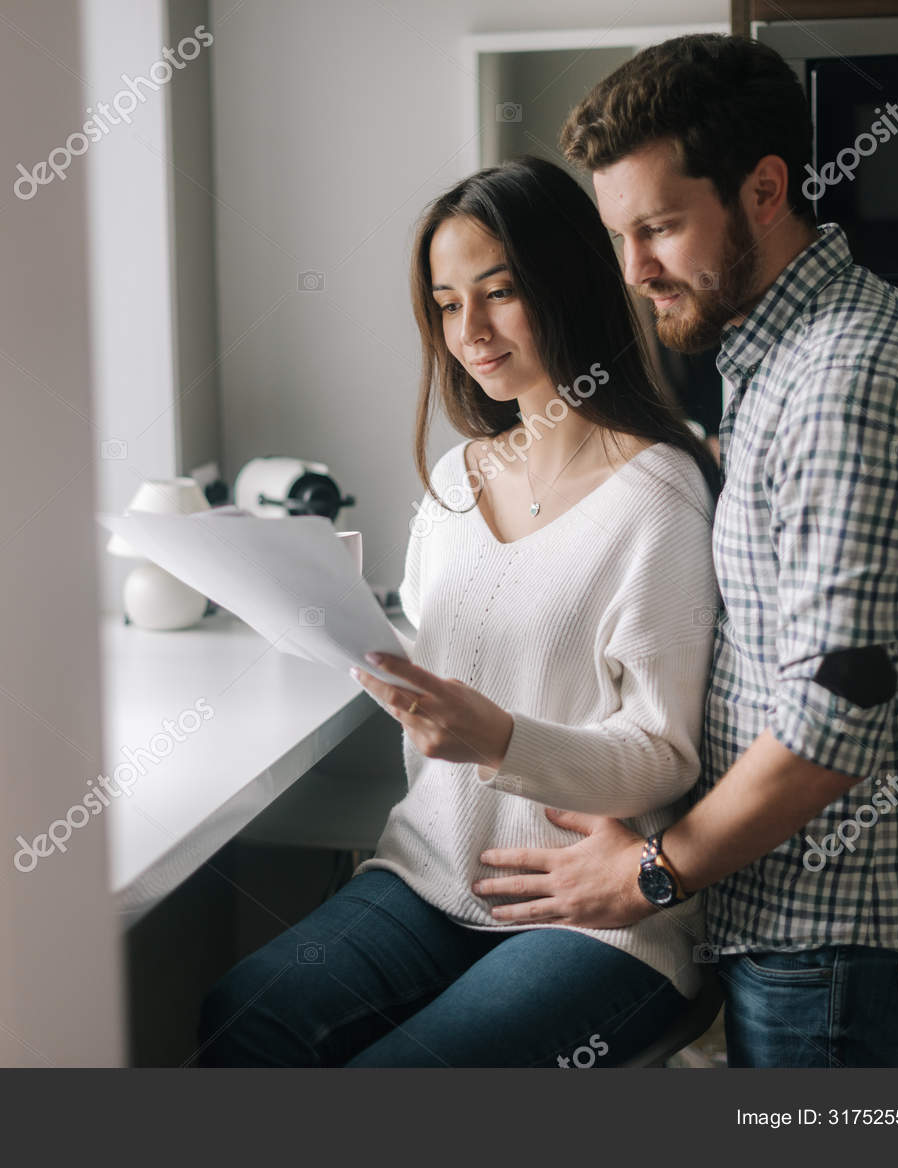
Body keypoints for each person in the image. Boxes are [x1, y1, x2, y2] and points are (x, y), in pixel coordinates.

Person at [474, 34, 898, 1068]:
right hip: (819, 941)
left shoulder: (843, 383)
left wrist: (649, 875)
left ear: (765, 190)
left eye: (660, 228)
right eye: (620, 234)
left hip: (840, 947)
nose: (634, 271)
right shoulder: (781, 360)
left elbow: (831, 723)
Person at [196, 155, 722, 1067]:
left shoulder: (659, 497)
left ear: (568, 286)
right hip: (431, 875)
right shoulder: (453, 481)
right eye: (445, 304)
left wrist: (502, 741)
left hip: (593, 914)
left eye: (499, 291)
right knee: (244, 1014)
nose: (469, 329)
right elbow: (458, 658)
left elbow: (665, 755)